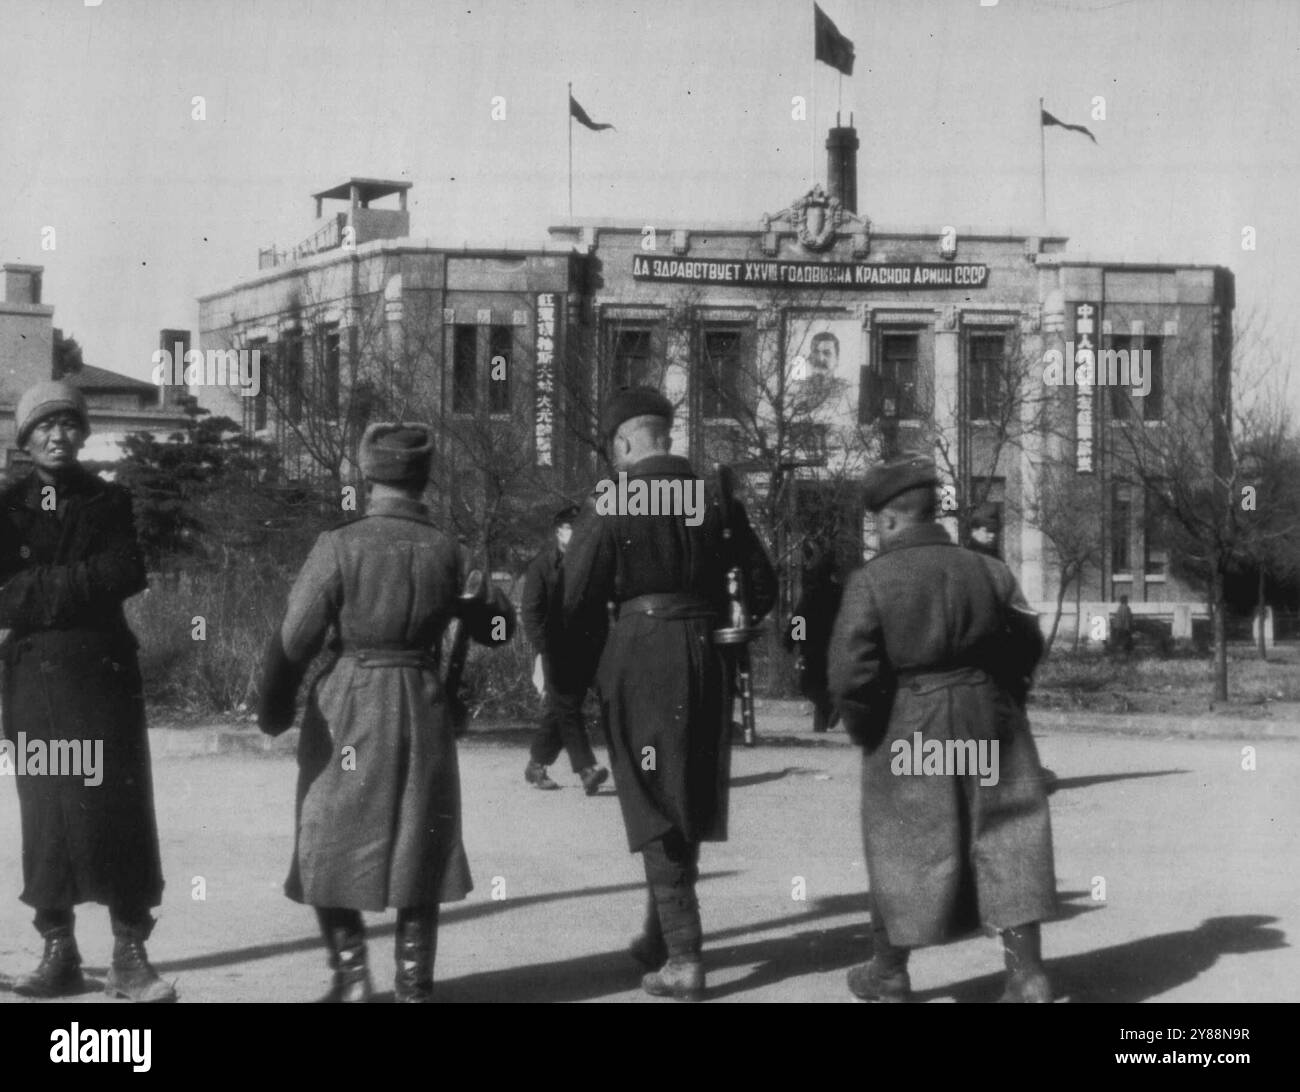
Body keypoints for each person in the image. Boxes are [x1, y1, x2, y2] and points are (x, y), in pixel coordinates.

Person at [258, 423, 515, 1003]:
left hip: (350, 700)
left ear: (366, 475)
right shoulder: (451, 549)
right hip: (423, 703)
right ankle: (414, 989)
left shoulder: (340, 544)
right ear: (425, 478)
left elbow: (295, 637)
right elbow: (500, 631)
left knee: (324, 835)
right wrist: (481, 603)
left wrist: (272, 709)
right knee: (421, 839)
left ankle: (351, 978)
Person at [563, 387, 776, 1000]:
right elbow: (762, 587)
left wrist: (582, 670)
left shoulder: (616, 496)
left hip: (643, 653)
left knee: (654, 797)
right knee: (684, 787)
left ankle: (684, 956)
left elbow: (575, 596)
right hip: (708, 655)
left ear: (624, 443)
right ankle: (661, 937)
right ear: (666, 434)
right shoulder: (714, 494)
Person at [828, 454, 1056, 1003]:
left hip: (911, 722)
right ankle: (1027, 975)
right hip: (990, 714)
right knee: (1007, 834)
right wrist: (1004, 699)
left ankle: (889, 972)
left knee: (901, 838)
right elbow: (1028, 642)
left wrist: (868, 730)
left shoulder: (872, 581)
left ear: (887, 521)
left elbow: (849, 674)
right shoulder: (989, 569)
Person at [0, 381, 174, 1003]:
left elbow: (126, 572)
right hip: (32, 682)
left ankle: (130, 953)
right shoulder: (7, 507)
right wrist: (76, 585)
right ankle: (59, 950)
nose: (57, 435)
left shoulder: (109, 502)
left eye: (69, 425)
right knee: (46, 815)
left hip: (103, 677)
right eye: (44, 426)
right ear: (25, 438)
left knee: (115, 808)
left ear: (83, 433)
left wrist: (39, 590)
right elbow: (3, 593)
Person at [521, 504, 609, 793]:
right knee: (568, 708)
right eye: (570, 529)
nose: (575, 535)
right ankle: (586, 770)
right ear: (559, 532)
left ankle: (536, 766)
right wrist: (543, 648)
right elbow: (531, 612)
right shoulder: (541, 566)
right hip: (554, 648)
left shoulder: (590, 565)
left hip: (584, 648)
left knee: (562, 709)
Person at [783, 538, 843, 732]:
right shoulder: (840, 593)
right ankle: (821, 728)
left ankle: (831, 706)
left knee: (809, 685)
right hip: (835, 646)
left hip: (813, 648)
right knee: (824, 685)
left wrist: (793, 642)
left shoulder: (812, 592)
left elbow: (800, 618)